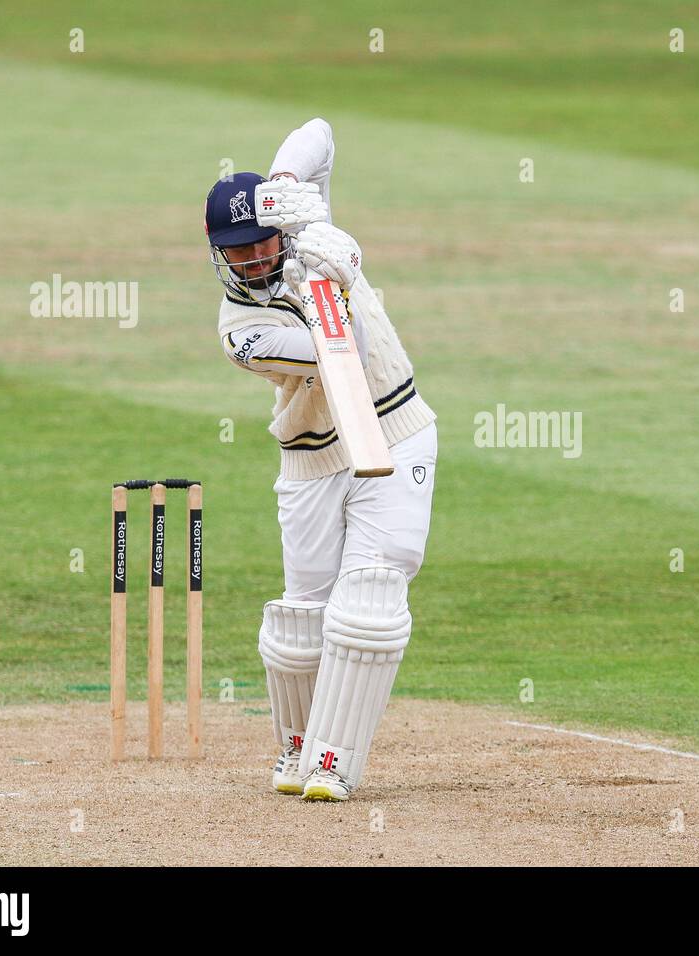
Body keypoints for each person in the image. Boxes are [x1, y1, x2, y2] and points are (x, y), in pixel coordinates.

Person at [203, 118, 437, 801]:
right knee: (303, 615)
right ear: (218, 255)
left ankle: (335, 762)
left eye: (263, 243)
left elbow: (320, 132)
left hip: (395, 431)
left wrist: (287, 193)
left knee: (370, 596)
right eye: (238, 253)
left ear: (280, 228)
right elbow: (345, 356)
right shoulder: (241, 330)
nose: (254, 260)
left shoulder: (304, 229)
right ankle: (297, 747)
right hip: (312, 459)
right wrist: (339, 275)